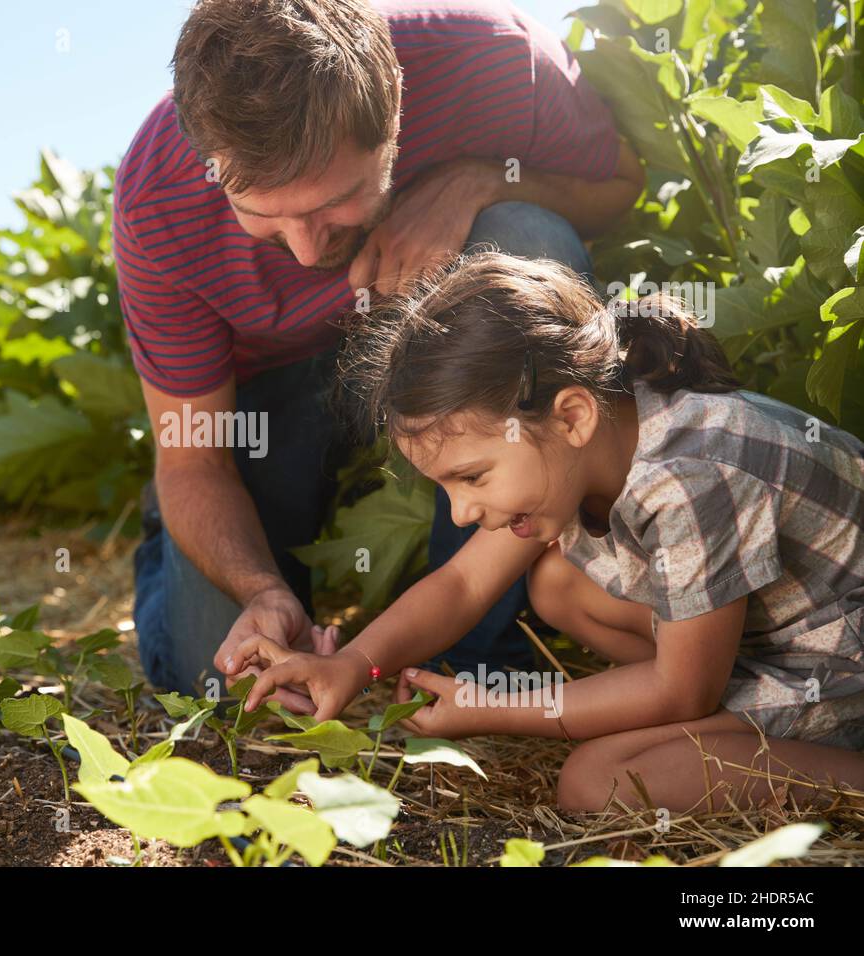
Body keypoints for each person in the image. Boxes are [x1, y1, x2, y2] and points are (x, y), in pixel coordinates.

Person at [116, 0, 645, 705]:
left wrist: (487, 180)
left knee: (527, 233)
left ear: (394, 109)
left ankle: (476, 658)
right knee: (213, 679)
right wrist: (259, 588)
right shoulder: (157, 196)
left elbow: (620, 185)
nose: (308, 251)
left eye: (335, 202)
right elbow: (193, 454)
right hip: (266, 400)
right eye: (266, 216)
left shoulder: (495, 57)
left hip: (441, 341)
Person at [227, 252, 864, 813]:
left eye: (472, 476)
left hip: (839, 663)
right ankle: (719, 716)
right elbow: (461, 583)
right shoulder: (592, 436)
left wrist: (488, 708)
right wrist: (349, 665)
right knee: (556, 582)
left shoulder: (689, 478)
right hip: (778, 635)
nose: (459, 513)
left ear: (572, 417)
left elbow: (683, 690)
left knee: (595, 781)